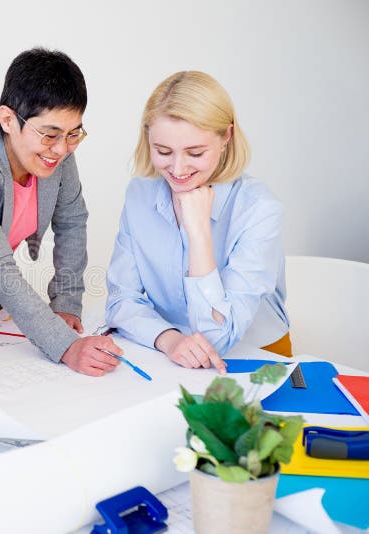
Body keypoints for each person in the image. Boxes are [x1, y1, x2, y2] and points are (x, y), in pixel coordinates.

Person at [0, 48, 121, 377]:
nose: (61, 149)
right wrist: (65, 345)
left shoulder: (57, 152)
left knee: (11, 375)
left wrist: (66, 301)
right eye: (49, 134)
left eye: (73, 133)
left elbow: (72, 223)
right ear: (8, 119)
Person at [105, 71, 291, 373]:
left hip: (257, 360)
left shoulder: (259, 209)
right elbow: (120, 300)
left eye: (195, 153)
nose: (177, 169)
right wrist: (169, 339)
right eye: (163, 151)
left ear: (226, 138)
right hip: (170, 358)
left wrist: (199, 233)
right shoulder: (140, 194)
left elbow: (218, 338)